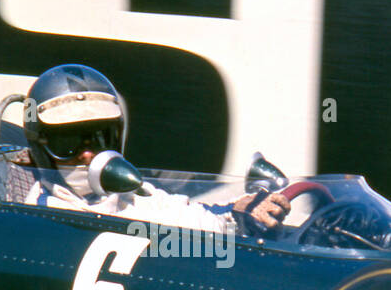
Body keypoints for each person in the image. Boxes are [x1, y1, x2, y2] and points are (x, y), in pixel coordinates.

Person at [19, 64, 290, 233]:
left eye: (99, 138)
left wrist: (237, 214)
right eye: (67, 142)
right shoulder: (40, 217)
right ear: (41, 146)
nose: (87, 153)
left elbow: (188, 219)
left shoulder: (132, 195)